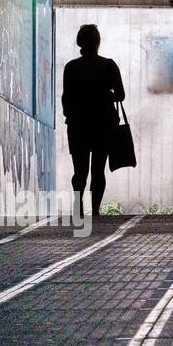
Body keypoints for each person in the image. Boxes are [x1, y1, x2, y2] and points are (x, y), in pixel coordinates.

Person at [62, 24, 125, 218]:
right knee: (98, 170)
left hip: (78, 124)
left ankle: (78, 204)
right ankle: (95, 210)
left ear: (80, 42)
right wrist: (105, 96)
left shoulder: (71, 67)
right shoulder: (109, 65)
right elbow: (121, 95)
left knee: (80, 170)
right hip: (103, 123)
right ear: (97, 42)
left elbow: (66, 97)